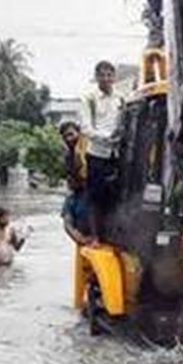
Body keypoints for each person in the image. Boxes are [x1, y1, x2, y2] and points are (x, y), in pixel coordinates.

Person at [80, 61, 125, 242]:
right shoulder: (89, 98)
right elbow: (85, 128)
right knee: (95, 197)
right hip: (97, 154)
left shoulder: (121, 98)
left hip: (117, 155)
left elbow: (124, 123)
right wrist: (107, 138)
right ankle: (96, 236)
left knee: (115, 196)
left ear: (114, 77)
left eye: (109, 75)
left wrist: (119, 137)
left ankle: (113, 235)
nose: (106, 79)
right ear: (97, 77)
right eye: (103, 75)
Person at [60, 121, 94, 246]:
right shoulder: (72, 198)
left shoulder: (89, 151)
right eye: (65, 137)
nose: (69, 139)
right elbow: (67, 224)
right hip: (86, 242)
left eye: (71, 134)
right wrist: (81, 240)